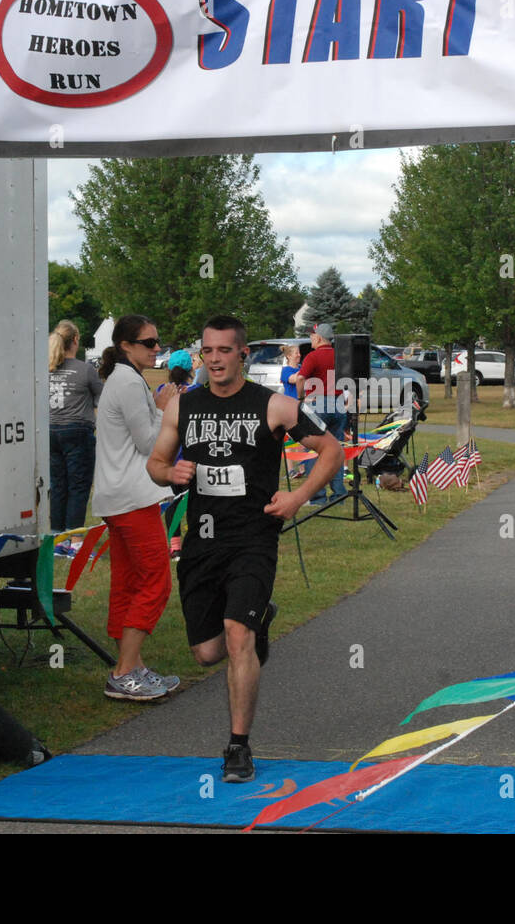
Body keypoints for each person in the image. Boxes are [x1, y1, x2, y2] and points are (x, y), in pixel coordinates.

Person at [148, 314, 343, 782]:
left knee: (237, 635)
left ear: (243, 354)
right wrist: (168, 474)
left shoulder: (274, 406)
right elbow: (156, 462)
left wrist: (297, 498)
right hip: (203, 541)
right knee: (207, 653)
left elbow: (332, 449)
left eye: (224, 351)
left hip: (253, 538)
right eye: (208, 351)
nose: (215, 359)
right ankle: (260, 621)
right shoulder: (183, 407)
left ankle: (238, 747)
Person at [93, 315, 183, 701]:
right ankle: (125, 671)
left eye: (157, 341)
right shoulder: (128, 382)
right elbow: (149, 444)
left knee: (129, 583)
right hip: (132, 497)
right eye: (149, 342)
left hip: (122, 496)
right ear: (126, 345)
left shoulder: (125, 378)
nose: (156, 348)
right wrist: (166, 408)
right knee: (156, 581)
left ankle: (133, 666)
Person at [48, 320, 103, 535]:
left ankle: (57, 535)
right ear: (76, 340)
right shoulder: (85, 370)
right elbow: (103, 399)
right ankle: (75, 538)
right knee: (78, 486)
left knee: (58, 485)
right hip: (77, 431)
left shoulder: (48, 368)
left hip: (51, 431)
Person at [291, 322, 347, 504]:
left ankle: (317, 496)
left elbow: (300, 378)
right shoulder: (341, 356)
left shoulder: (313, 356)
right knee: (336, 450)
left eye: (312, 336)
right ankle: (339, 494)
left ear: (319, 338)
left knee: (313, 450)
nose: (311, 339)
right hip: (338, 405)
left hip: (318, 403)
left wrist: (301, 397)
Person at [156, 349, 196, 559]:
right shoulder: (196, 391)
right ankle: (196, 541)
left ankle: (174, 546)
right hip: (192, 458)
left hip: (169, 457)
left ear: (169, 369)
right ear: (191, 369)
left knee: (172, 501)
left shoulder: (161, 391)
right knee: (194, 501)